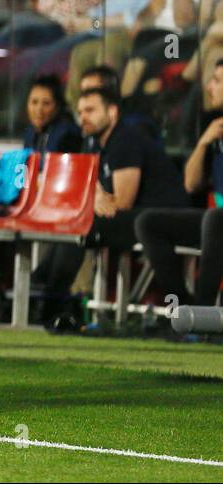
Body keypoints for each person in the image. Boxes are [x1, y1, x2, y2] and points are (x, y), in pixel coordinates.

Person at [35, 87, 190, 330]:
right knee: (76, 220)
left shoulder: (125, 140)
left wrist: (93, 196)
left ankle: (49, 302)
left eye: (90, 110)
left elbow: (121, 204)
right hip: (139, 218)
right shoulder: (96, 143)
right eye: (80, 112)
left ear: (112, 111)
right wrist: (93, 196)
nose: (83, 117)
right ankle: (43, 291)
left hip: (165, 219)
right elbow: (100, 196)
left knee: (85, 223)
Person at [134, 59, 223, 311]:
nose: (208, 87)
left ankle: (204, 314)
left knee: (214, 219)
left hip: (217, 221)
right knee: (148, 222)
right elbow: (191, 184)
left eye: (217, 81)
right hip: (216, 222)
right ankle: (184, 306)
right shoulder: (213, 127)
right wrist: (204, 143)